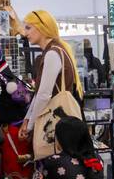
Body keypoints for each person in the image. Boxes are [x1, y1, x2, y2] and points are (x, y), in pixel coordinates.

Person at [20, 9, 82, 157]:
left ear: (42, 27)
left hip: (55, 123)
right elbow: (40, 94)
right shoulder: (56, 51)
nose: (25, 32)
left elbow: (43, 95)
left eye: (29, 27)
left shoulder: (52, 54)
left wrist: (30, 125)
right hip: (60, 121)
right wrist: (28, 119)